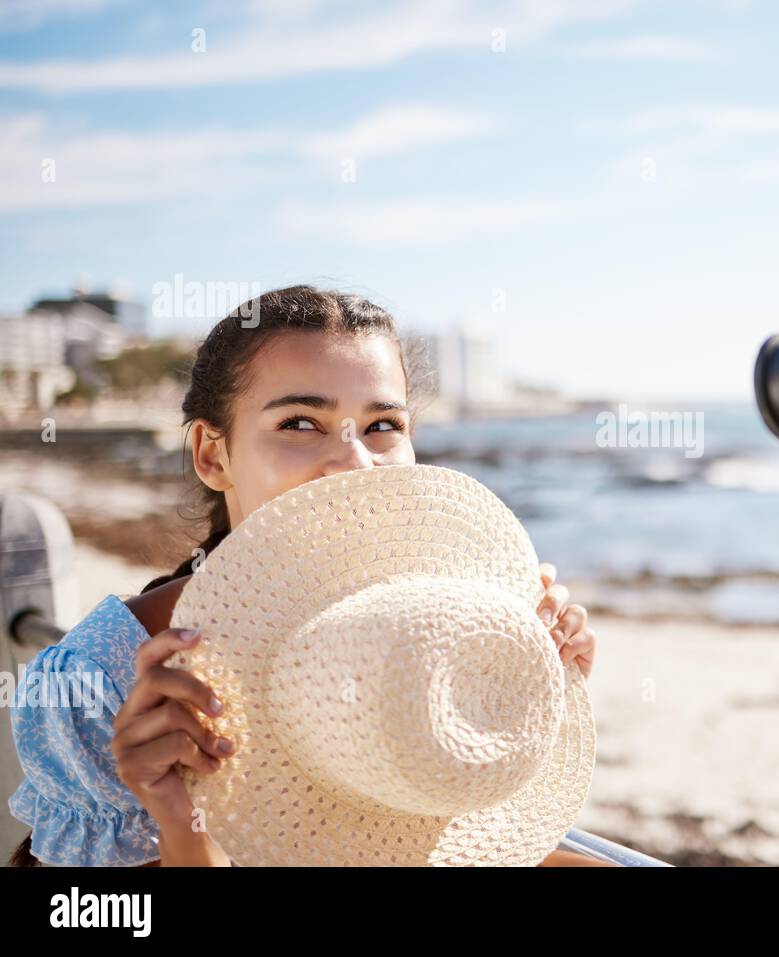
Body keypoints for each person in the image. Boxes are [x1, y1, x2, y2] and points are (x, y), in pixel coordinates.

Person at [9, 286, 598, 866]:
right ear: (212, 455)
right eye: (299, 423)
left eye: (383, 425)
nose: (355, 463)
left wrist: (531, 692)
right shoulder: (98, 684)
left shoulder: (439, 623)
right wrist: (185, 827)